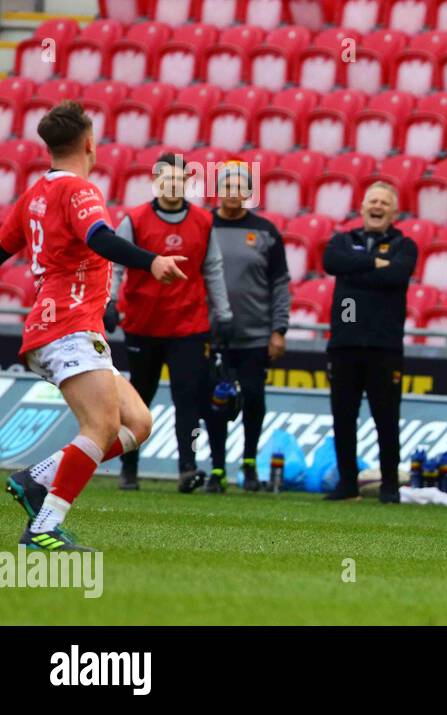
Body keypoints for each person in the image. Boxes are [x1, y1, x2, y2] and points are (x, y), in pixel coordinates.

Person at [0, 100, 187, 550]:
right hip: (68, 324)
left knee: (138, 424)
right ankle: (43, 528)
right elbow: (100, 238)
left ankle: (34, 479)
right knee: (101, 427)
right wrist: (152, 260)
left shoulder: (34, 194)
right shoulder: (79, 190)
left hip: (59, 327)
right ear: (89, 143)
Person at [106, 153, 234, 493]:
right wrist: (109, 301)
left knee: (188, 399)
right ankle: (129, 467)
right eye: (168, 179)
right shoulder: (134, 220)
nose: (174, 186)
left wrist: (224, 315)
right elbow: (116, 266)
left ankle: (187, 468)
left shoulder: (204, 222)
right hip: (143, 325)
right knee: (139, 398)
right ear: (156, 182)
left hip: (189, 327)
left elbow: (213, 269)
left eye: (180, 180)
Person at [321, 181, 416, 503]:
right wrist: (375, 263)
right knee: (343, 417)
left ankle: (390, 484)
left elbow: (397, 276)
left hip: (385, 347)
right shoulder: (342, 241)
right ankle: (347, 483)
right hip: (344, 344)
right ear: (362, 208)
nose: (377, 207)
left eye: (384, 203)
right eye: (372, 201)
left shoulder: (405, 245)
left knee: (386, 418)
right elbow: (332, 263)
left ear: (394, 212)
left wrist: (359, 267)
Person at [203, 161, 291, 493]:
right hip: (211, 334)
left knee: (254, 396)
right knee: (214, 401)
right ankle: (216, 468)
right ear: (218, 190)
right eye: (227, 185)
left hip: (255, 333)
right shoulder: (203, 226)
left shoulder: (266, 232)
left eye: (240, 186)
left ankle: (250, 462)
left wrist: (279, 329)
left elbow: (281, 284)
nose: (233, 192)